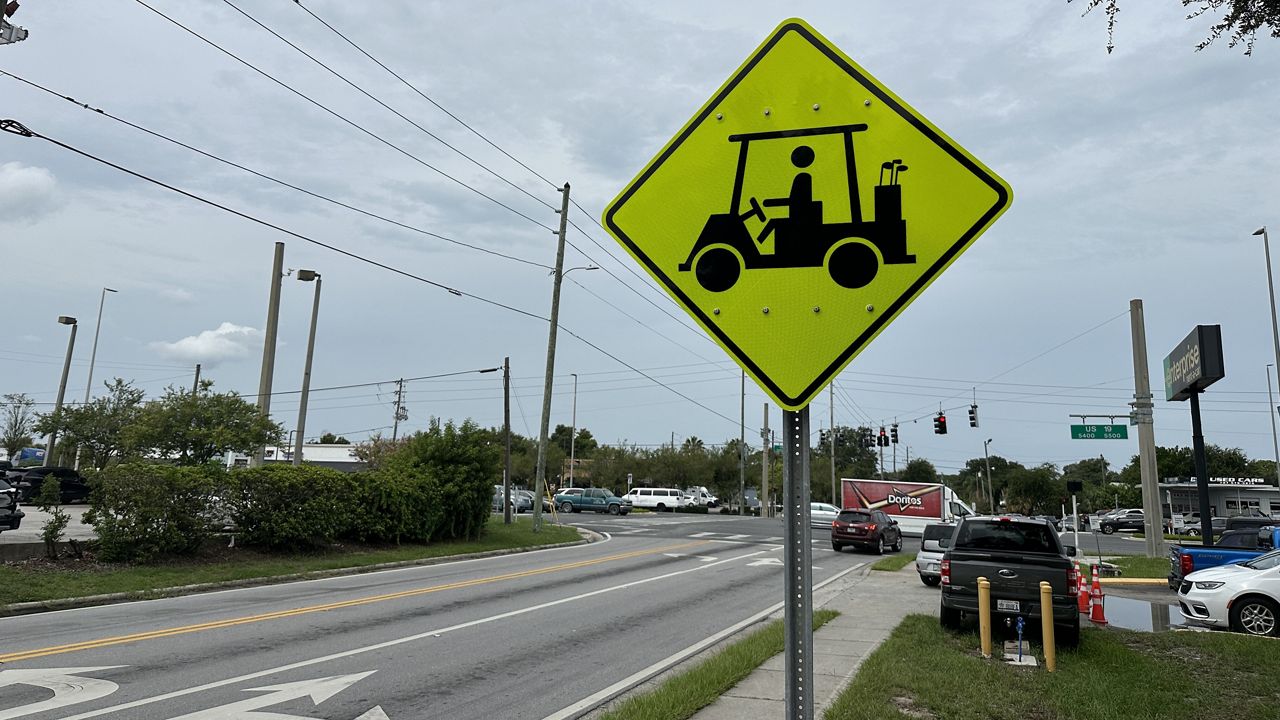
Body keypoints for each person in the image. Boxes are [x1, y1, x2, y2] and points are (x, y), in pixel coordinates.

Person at [757, 145, 823, 244]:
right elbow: (794, 199)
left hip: (801, 217)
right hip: (798, 214)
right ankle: (759, 242)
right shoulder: (801, 177)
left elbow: (798, 200)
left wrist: (770, 203)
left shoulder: (803, 178)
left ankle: (759, 243)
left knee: (774, 222)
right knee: (774, 222)